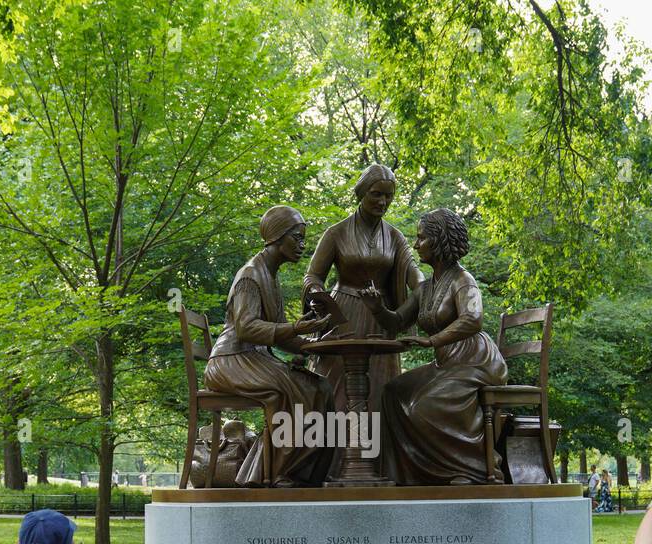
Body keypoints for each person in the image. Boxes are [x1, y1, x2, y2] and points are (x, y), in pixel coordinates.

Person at [359, 207, 507, 484]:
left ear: (439, 241)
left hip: (475, 361)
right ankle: (406, 474)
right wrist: (377, 308)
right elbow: (398, 321)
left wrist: (431, 340)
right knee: (392, 392)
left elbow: (473, 319)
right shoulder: (425, 288)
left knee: (424, 407)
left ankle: (471, 469)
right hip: (446, 363)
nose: (416, 245)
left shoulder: (464, 281)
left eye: (422, 238)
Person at [203, 205, 338, 487]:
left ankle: (302, 472)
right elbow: (246, 327)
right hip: (231, 360)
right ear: (277, 236)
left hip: (254, 358)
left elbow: (282, 335)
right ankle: (276, 473)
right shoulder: (251, 275)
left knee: (321, 387)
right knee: (290, 389)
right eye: (297, 238)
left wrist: (313, 344)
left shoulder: (271, 276)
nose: (302, 245)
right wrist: (295, 329)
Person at [302, 163, 423, 473]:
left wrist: (424, 291)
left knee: (380, 389)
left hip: (379, 319)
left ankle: (376, 466)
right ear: (361, 193)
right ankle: (335, 465)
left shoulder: (395, 237)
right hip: (342, 316)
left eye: (389, 197)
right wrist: (317, 294)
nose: (382, 202)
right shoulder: (337, 232)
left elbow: (415, 277)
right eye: (376, 194)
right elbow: (313, 275)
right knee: (337, 390)